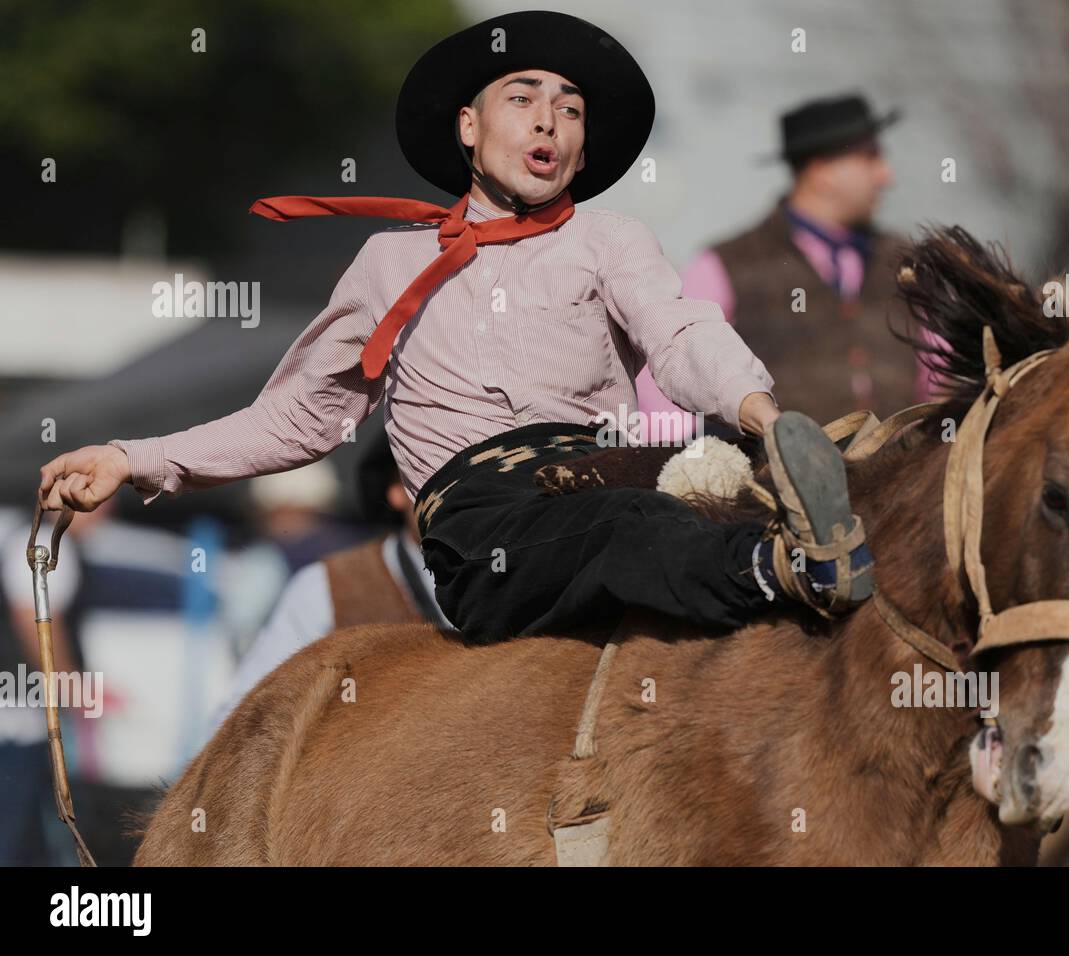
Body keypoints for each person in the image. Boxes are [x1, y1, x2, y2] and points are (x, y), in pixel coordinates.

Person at [38, 11, 874, 645]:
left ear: (582, 153)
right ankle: (791, 570)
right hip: (486, 528)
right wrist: (130, 456)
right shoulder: (385, 265)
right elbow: (297, 418)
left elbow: (680, 331)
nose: (550, 120)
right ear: (469, 130)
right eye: (524, 98)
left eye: (570, 109)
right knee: (632, 530)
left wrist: (764, 415)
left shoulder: (611, 241)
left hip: (613, 473)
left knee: (684, 509)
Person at [638, 92, 922, 430]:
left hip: (902, 475)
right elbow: (676, 365)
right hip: (773, 477)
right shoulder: (724, 264)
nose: (885, 176)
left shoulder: (909, 262)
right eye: (870, 158)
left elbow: (944, 377)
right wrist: (686, 464)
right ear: (822, 172)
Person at [204, 429, 455, 738]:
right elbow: (240, 723)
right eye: (439, 470)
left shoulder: (522, 577)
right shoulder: (324, 584)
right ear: (396, 489)